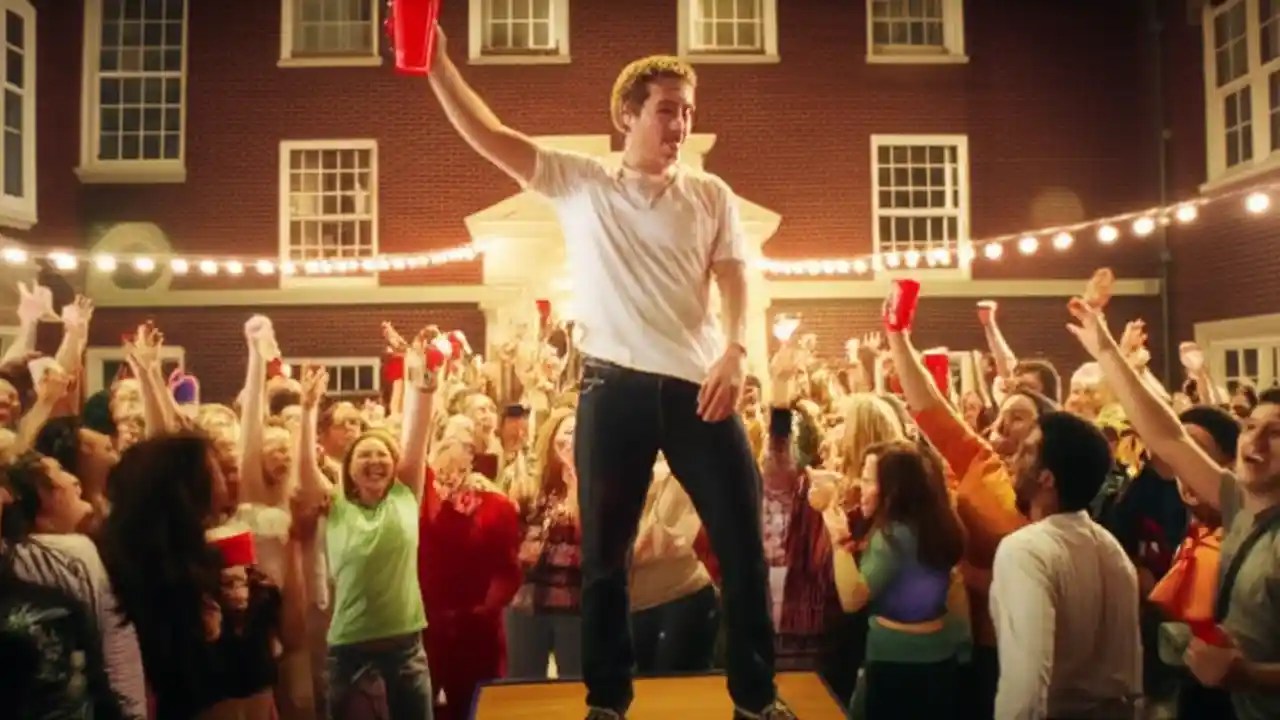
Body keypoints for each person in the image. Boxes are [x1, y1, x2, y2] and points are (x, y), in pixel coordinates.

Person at [426, 28, 792, 720]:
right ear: (627, 115)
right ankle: (608, 701)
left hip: (697, 388)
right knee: (605, 561)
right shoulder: (581, 182)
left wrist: (738, 349)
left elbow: (736, 276)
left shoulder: (710, 195)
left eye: (686, 111)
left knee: (743, 547)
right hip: (609, 389)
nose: (680, 124)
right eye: (666, 109)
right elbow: (489, 134)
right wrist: (439, 64)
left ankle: (755, 697)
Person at [989, 410, 1142, 718]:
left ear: (1047, 479)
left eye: (1028, 451)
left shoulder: (1025, 551)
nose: (1014, 458)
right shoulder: (1111, 548)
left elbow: (1026, 686)